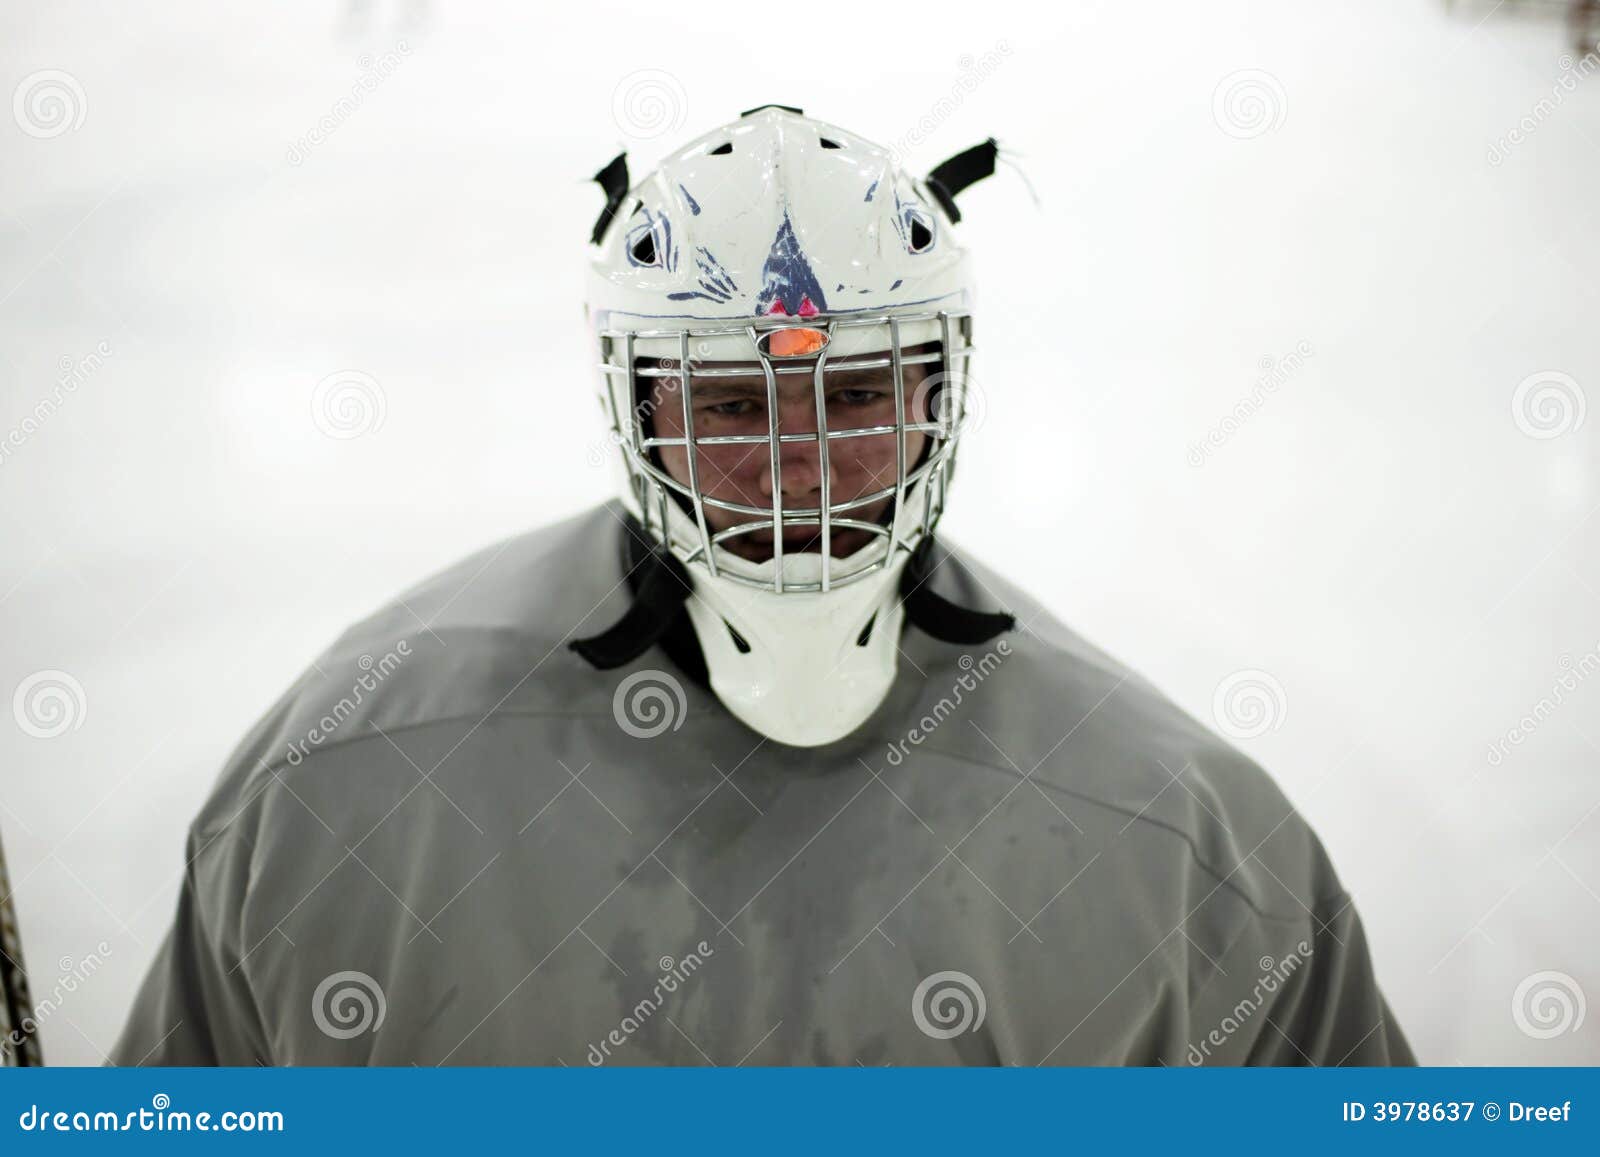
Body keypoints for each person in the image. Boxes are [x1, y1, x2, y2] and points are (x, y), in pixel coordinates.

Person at [109, 105, 1414, 1066]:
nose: (797, 459)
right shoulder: (335, 779)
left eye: (849, 390)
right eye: (735, 398)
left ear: (932, 390)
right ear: (640, 407)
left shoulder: (1196, 844)